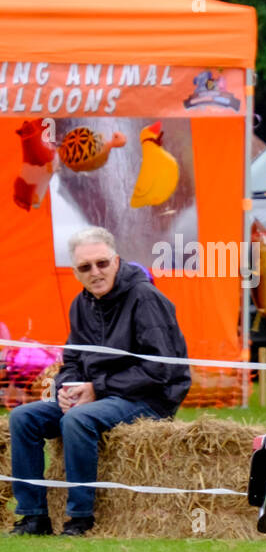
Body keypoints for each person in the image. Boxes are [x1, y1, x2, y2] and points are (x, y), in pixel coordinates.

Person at [9, 227, 191, 536]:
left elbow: (160, 368)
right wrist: (66, 389)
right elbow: (73, 360)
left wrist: (98, 388)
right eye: (85, 267)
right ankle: (33, 516)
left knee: (78, 421)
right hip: (100, 395)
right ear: (76, 273)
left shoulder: (145, 297)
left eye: (102, 263)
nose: (95, 272)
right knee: (22, 417)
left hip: (150, 397)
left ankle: (80, 518)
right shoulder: (82, 304)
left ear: (117, 261)